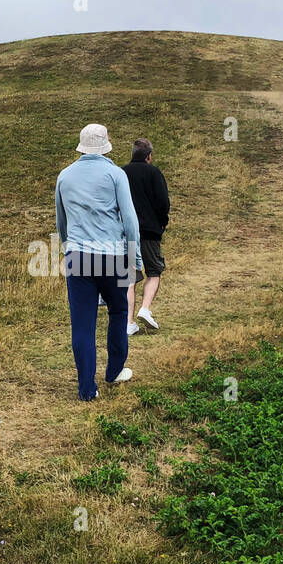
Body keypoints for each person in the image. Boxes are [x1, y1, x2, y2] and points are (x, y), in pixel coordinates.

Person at [55, 123, 143, 400]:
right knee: (118, 311)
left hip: (78, 256)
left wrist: (68, 248)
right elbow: (130, 220)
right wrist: (136, 257)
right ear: (106, 145)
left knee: (82, 324)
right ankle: (114, 371)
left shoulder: (65, 176)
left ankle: (86, 389)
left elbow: (61, 221)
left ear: (81, 145)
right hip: (113, 255)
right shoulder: (115, 173)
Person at [122, 137, 170, 334]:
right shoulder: (154, 172)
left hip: (126, 232)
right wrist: (161, 223)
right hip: (149, 231)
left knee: (129, 278)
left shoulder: (121, 173)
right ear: (149, 156)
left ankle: (128, 323)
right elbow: (163, 202)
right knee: (154, 271)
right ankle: (145, 308)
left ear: (132, 154)